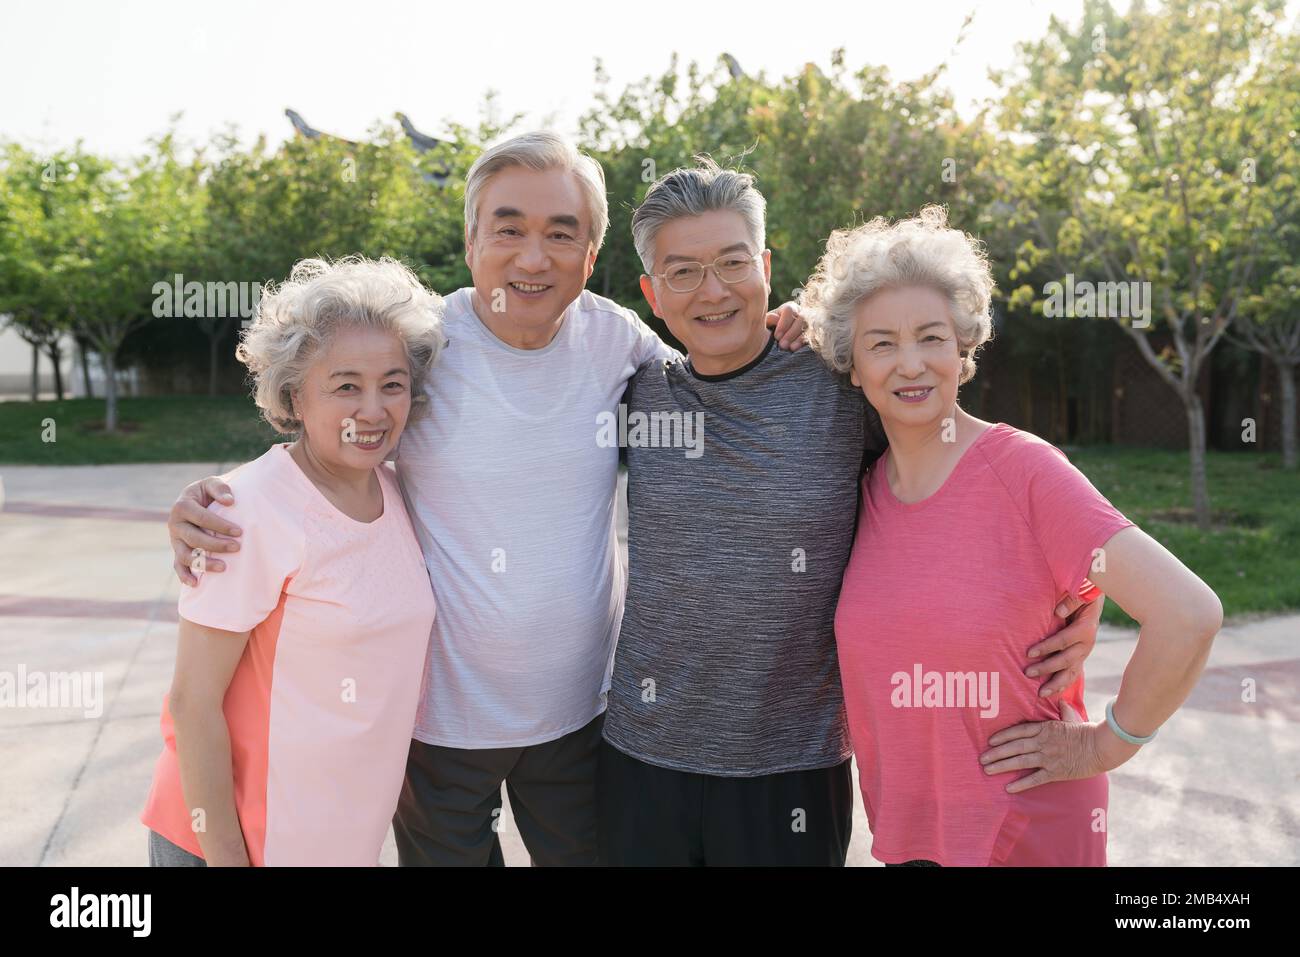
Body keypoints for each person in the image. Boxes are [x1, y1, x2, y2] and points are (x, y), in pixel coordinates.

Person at [164, 132, 807, 866]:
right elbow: (320, 430)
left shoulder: (615, 339)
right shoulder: (421, 346)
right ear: (471, 241)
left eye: (560, 234)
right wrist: (213, 502)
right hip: (438, 722)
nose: (533, 258)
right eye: (509, 229)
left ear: (590, 257)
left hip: (584, 714)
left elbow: (719, 376)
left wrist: (795, 323)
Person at [596, 165, 1105, 866]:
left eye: (732, 262)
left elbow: (977, 479)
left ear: (765, 267)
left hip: (793, 769)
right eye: (682, 271)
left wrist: (1078, 593)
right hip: (641, 756)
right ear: (652, 293)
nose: (712, 290)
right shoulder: (633, 392)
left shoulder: (843, 383)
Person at [803, 206, 1223, 866]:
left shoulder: (1024, 470)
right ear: (851, 365)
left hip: (1026, 832)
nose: (910, 363)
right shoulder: (862, 491)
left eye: (931, 337)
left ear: (963, 349)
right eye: (881, 342)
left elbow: (1189, 612)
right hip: (911, 840)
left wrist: (1104, 744)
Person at [141, 257, 443, 865]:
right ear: (293, 396)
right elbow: (192, 705)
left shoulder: (398, 491)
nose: (374, 409)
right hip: (233, 842)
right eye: (345, 385)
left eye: (392, 383)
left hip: (335, 840)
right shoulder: (246, 512)